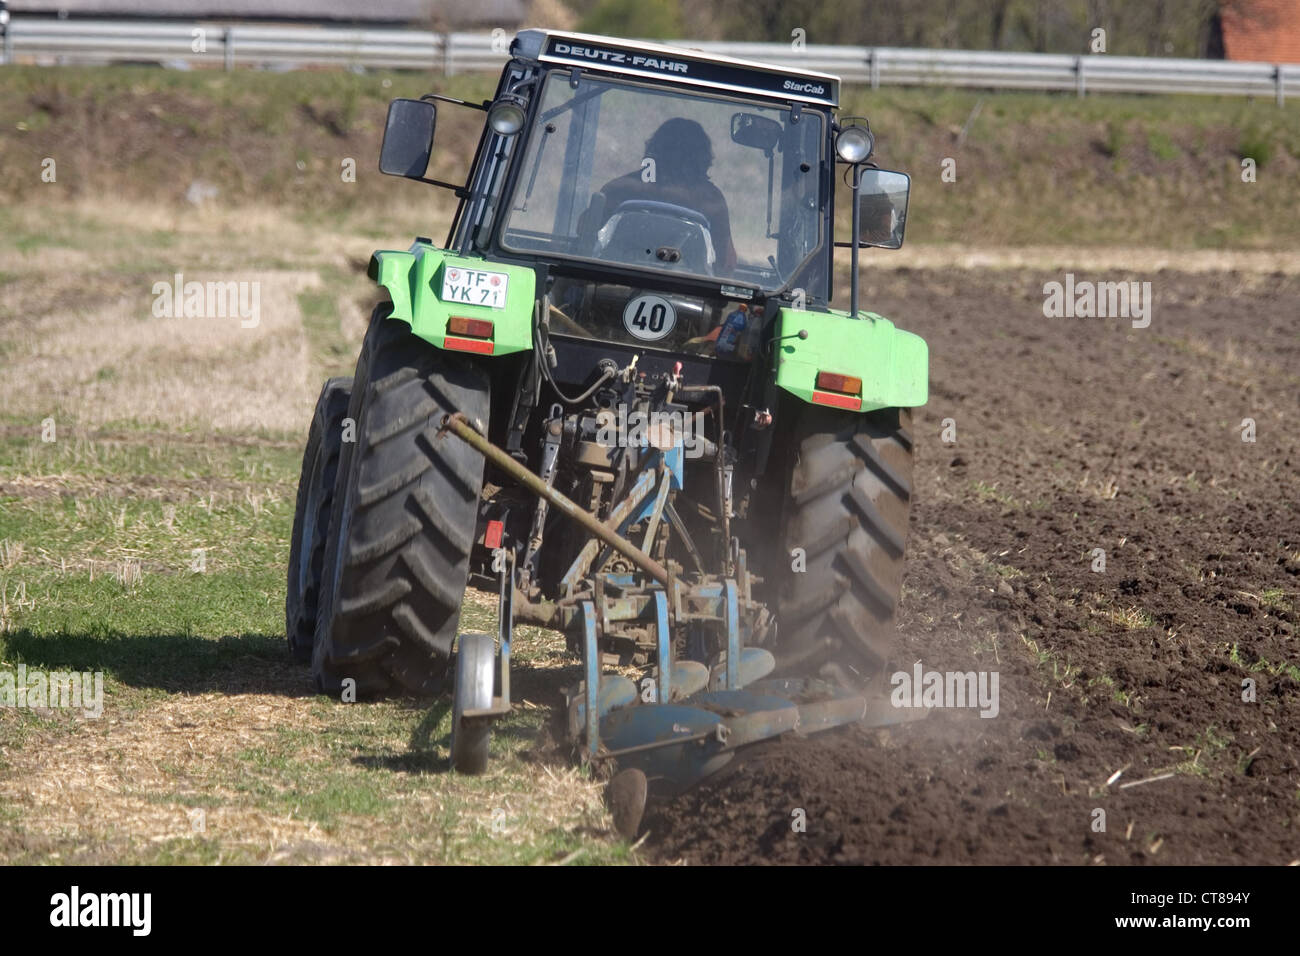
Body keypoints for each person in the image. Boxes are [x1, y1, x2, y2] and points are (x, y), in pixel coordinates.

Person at [583, 118, 737, 273]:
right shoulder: (711, 200)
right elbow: (725, 263)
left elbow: (584, 239)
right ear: (702, 158)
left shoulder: (619, 189)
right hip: (689, 293)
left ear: (654, 151)